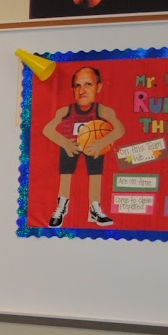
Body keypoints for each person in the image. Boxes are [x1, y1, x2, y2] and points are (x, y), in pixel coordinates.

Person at [41, 65, 124, 227]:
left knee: (96, 161)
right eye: (78, 85)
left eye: (88, 84)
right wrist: (64, 142)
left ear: (98, 87)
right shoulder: (65, 111)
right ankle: (62, 204)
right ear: (73, 89)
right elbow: (47, 129)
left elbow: (120, 129)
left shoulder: (103, 111)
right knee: (66, 159)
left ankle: (94, 207)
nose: (82, 90)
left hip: (92, 146)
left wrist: (101, 142)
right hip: (72, 146)